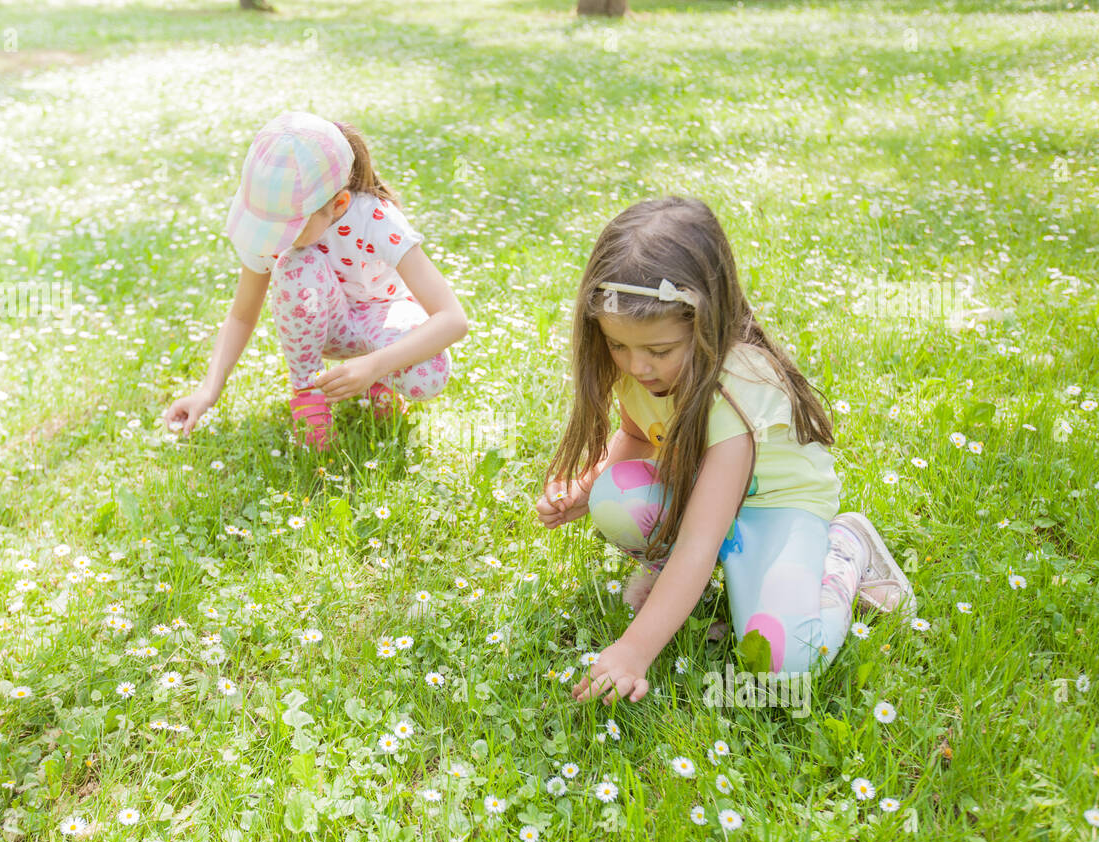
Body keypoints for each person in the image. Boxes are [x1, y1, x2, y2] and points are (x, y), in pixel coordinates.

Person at [535, 196, 915, 704]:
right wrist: (587, 486)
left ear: (707, 324)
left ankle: (845, 551)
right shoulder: (634, 368)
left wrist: (634, 650)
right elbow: (634, 433)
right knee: (614, 495)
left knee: (780, 663)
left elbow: (699, 540)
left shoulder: (736, 384)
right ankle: (699, 588)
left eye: (659, 351)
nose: (637, 366)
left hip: (774, 508)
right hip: (701, 497)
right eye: (618, 346)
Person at [163, 111, 467, 449]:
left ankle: (377, 382)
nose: (278, 238)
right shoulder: (271, 229)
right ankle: (308, 395)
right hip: (326, 328)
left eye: (289, 227)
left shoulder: (377, 220)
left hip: (383, 324)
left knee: (430, 372)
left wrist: (375, 365)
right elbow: (241, 315)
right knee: (297, 264)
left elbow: (453, 320)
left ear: (338, 205)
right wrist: (208, 391)